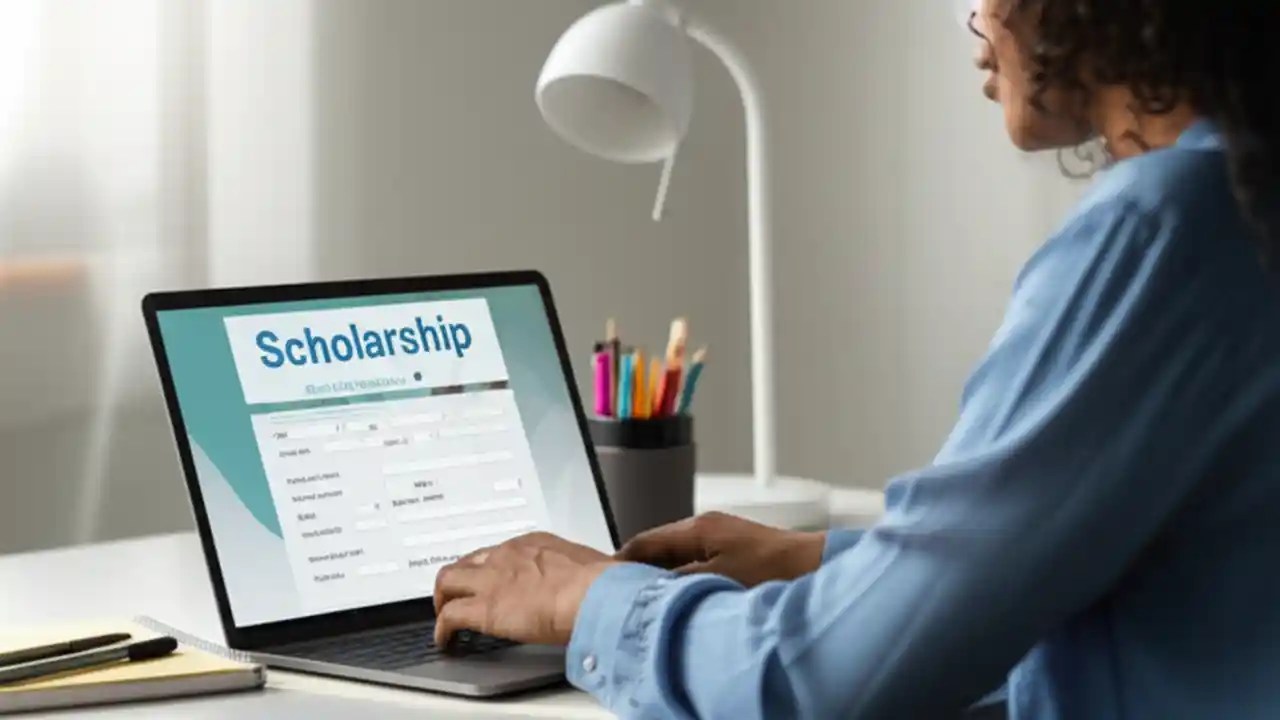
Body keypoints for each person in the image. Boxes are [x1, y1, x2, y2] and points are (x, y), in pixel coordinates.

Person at [432, 1, 1280, 717]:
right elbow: (1153, 579)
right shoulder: (1237, 206)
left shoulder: (1166, 231)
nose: (975, 22)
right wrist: (835, 563)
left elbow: (833, 678)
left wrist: (584, 602)